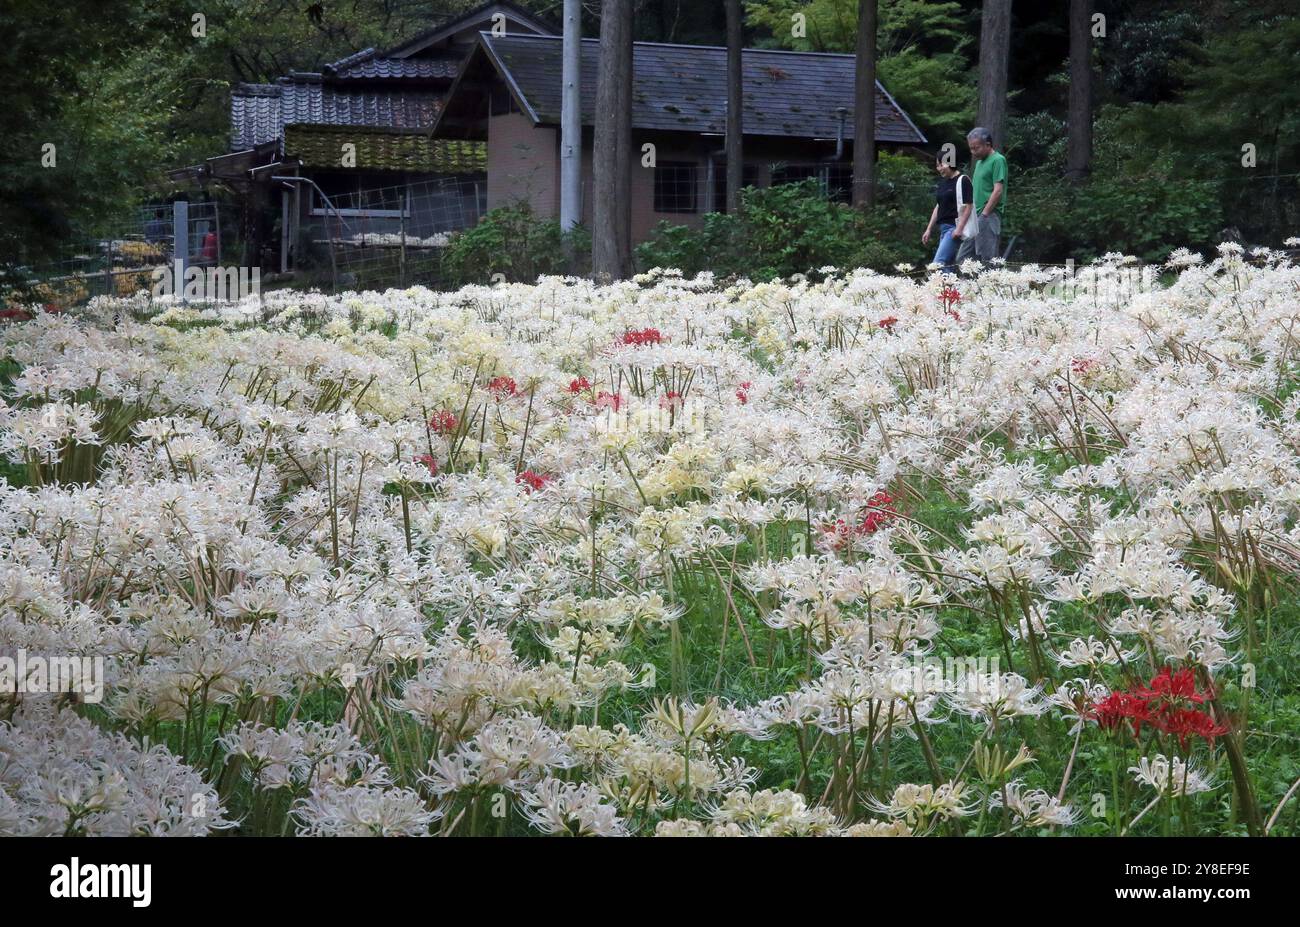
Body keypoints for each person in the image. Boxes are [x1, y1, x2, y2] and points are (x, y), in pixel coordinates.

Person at [956, 127, 1008, 266]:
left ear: (988, 144)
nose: (973, 152)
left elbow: (998, 190)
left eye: (976, 148)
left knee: (988, 260)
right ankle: (972, 286)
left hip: (988, 215)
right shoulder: (979, 163)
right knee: (963, 259)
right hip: (975, 216)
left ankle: (992, 287)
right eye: (971, 148)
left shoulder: (998, 160)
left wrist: (985, 214)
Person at [922, 153, 973, 274]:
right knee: (947, 266)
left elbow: (969, 206)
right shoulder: (943, 183)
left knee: (937, 265)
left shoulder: (963, 180)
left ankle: (951, 290)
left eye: (941, 165)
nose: (939, 168)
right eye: (937, 166)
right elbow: (938, 206)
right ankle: (953, 291)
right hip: (943, 230)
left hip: (953, 228)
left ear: (951, 163)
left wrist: (959, 229)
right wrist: (929, 229)